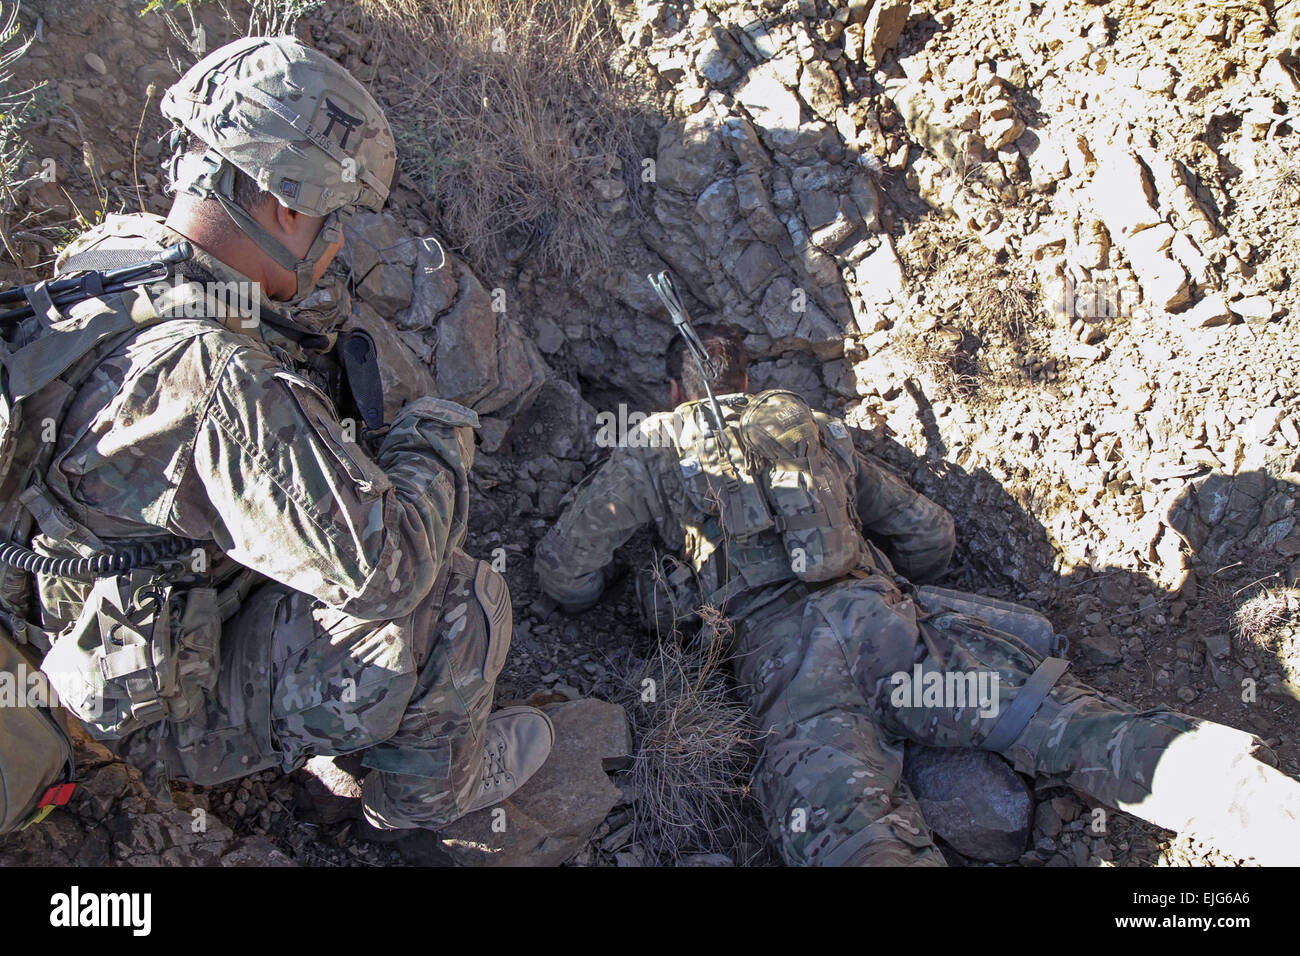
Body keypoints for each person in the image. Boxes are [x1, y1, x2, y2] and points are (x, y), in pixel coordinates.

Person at [0, 35, 552, 836]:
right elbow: (387, 568)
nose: (335, 245)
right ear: (287, 205)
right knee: (456, 598)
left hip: (70, 628)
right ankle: (423, 802)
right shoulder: (215, 380)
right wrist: (437, 438)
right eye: (334, 220)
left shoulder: (111, 257)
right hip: (149, 708)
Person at [536, 324, 1300, 866]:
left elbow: (562, 574)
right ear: (748, 383)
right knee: (1070, 727)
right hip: (899, 636)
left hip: (794, 681)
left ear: (675, 391)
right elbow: (930, 534)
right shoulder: (814, 428)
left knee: (857, 842)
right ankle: (1274, 819)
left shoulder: (653, 449)